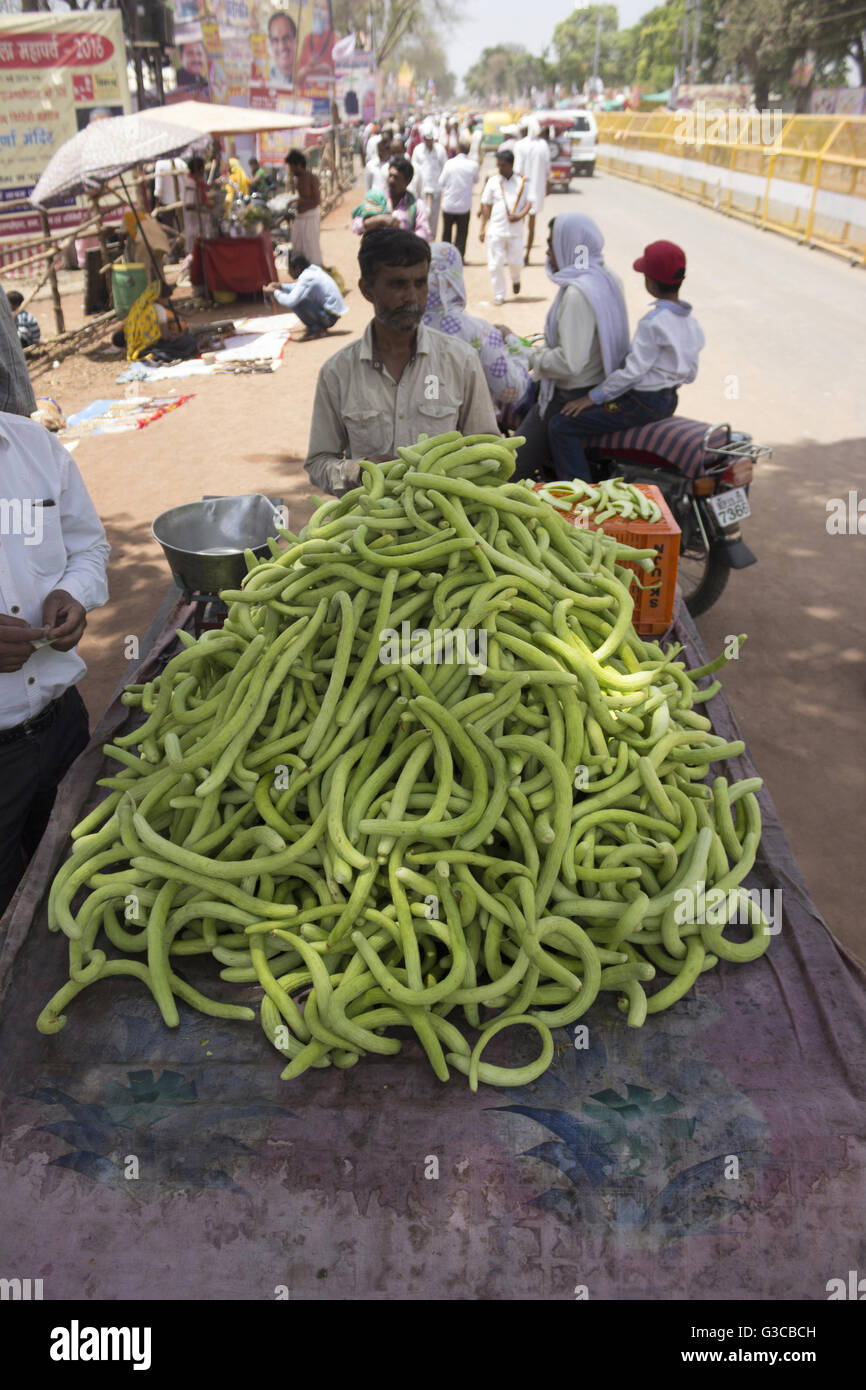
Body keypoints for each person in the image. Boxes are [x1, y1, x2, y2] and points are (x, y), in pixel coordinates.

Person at [0, 408, 110, 915]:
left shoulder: (33, 446)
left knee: (86, 875)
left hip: (62, 723)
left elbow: (88, 546)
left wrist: (74, 593)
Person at [305, 228, 499, 496]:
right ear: (367, 289)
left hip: (447, 526)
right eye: (397, 284)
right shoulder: (337, 373)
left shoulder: (461, 361)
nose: (411, 296)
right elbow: (318, 462)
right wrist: (355, 472)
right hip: (372, 527)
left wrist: (449, 476)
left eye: (420, 283)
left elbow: (489, 450)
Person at [548, 240, 705, 482]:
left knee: (561, 425)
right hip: (669, 399)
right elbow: (691, 374)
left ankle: (580, 495)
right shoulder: (691, 323)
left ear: (649, 282)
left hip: (641, 402)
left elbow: (632, 374)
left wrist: (591, 398)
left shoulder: (653, 323)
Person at [511, 214, 630, 481]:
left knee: (511, 468)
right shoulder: (606, 277)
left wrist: (529, 356)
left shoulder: (578, 292)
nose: (549, 251)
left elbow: (570, 362)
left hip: (570, 393)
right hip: (602, 382)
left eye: (552, 243)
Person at [421, 242, 532, 418]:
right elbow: (512, 390)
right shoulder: (480, 332)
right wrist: (515, 345)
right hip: (466, 434)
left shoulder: (402, 328)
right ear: (456, 276)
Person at [478, 147, 530, 306]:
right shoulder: (493, 181)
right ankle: (499, 293)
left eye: (503, 165)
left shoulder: (521, 182)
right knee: (495, 263)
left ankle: (516, 279)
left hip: (515, 231)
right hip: (496, 230)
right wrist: (482, 228)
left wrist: (519, 216)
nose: (500, 168)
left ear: (511, 165)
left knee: (515, 262)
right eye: (498, 165)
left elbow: (529, 203)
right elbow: (485, 204)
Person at [265, 252, 347, 340]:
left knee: (297, 302)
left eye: (290, 270)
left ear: (297, 268)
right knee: (299, 296)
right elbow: (296, 287)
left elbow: (290, 301)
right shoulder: (313, 271)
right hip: (332, 314)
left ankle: (317, 329)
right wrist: (281, 286)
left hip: (329, 318)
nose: (289, 273)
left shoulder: (307, 277)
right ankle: (318, 327)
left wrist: (274, 292)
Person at [112, 282, 196, 362]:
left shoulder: (139, 305)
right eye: (166, 298)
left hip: (135, 345)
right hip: (149, 346)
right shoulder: (159, 309)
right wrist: (177, 335)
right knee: (187, 341)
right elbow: (165, 336)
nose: (167, 301)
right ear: (159, 297)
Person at [351, 158, 430, 241]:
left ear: (408, 181)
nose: (391, 180)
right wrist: (379, 219)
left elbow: (424, 235)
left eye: (396, 177)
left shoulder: (416, 206)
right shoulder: (377, 199)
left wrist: (401, 235)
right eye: (390, 176)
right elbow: (356, 226)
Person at [436, 139, 478, 261]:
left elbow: (441, 182)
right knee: (462, 234)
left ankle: (444, 258)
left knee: (446, 233)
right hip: (464, 206)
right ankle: (459, 258)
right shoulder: (473, 165)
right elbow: (476, 180)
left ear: (457, 150)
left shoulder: (449, 164)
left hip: (449, 204)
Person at [517, 118, 551, 265]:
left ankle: (518, 252)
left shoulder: (520, 145)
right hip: (536, 190)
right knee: (532, 225)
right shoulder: (543, 146)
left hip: (521, 190)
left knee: (519, 223)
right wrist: (546, 186)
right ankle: (527, 254)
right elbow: (548, 170)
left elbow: (517, 170)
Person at [412, 118, 447, 241]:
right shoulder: (418, 150)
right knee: (422, 211)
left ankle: (432, 236)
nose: (429, 142)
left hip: (436, 185)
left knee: (435, 213)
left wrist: (443, 184)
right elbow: (414, 168)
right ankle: (422, 234)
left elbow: (445, 167)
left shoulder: (440, 150)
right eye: (426, 139)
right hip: (422, 186)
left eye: (430, 139)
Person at [286, 149, 322, 265]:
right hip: (300, 218)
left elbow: (316, 200)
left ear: (299, 165)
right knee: (298, 248)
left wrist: (299, 201)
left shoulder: (312, 178)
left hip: (310, 218)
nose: (291, 170)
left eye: (292, 167)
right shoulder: (298, 180)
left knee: (311, 249)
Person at [182, 154, 217, 252]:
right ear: (199, 169)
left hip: (198, 223)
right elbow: (189, 205)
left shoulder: (197, 182)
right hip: (194, 224)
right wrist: (203, 206)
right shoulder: (191, 183)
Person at [268, 11, 297, 87]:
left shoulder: (307, 79)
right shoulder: (263, 82)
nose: (282, 46)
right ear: (270, 45)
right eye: (275, 40)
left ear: (295, 40)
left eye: (286, 38)